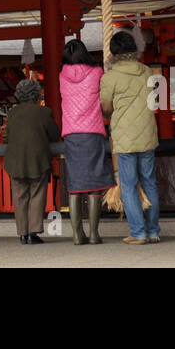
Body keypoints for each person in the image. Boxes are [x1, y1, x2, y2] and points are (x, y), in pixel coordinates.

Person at [100, 32, 160, 245]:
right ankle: (153, 231)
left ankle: (138, 232)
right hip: (147, 133)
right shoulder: (147, 72)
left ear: (114, 52)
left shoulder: (110, 77)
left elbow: (106, 107)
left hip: (124, 137)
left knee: (128, 184)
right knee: (150, 182)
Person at [59, 38, 113, 244]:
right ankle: (94, 234)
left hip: (71, 134)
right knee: (94, 184)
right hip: (92, 132)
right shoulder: (96, 72)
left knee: (75, 183)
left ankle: (76, 234)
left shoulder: (62, 76)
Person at [2, 78, 61, 244]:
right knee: (37, 194)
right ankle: (33, 232)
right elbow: (55, 134)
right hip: (38, 160)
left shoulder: (12, 113)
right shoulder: (44, 112)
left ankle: (22, 232)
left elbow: (7, 136)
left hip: (15, 160)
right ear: (36, 95)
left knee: (19, 196)